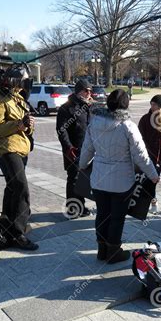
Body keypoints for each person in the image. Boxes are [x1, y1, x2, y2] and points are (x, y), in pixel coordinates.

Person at [79, 89, 159, 264]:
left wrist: (81, 165)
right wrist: (153, 175)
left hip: (98, 179)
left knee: (102, 214)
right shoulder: (127, 126)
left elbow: (87, 149)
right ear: (126, 105)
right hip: (122, 182)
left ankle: (102, 250)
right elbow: (141, 155)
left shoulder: (94, 122)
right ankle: (114, 252)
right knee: (116, 217)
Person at [0, 64, 38, 251]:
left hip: (22, 149)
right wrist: (19, 124)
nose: (26, 85)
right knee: (21, 188)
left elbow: (25, 126)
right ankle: (18, 232)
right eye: (23, 81)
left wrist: (29, 124)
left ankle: (6, 224)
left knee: (12, 188)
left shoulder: (18, 98)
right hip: (7, 151)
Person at [56, 79, 93, 218]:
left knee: (82, 178)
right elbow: (61, 130)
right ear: (78, 91)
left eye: (90, 90)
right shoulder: (67, 107)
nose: (89, 93)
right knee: (73, 178)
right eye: (86, 90)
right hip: (73, 149)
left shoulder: (88, 106)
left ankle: (80, 205)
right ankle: (72, 208)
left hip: (87, 149)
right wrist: (68, 147)